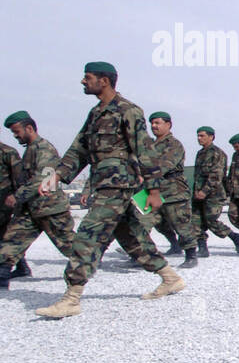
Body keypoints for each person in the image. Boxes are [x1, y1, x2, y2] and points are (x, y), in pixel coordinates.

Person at [33, 63, 185, 318]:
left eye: (88, 77)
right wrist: (56, 176)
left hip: (119, 185)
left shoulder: (128, 110)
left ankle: (71, 298)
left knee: (87, 235)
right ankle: (170, 277)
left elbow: (144, 151)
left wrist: (154, 191)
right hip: (104, 183)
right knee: (131, 235)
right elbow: (78, 149)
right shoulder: (95, 114)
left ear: (104, 81)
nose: (83, 81)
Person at [0, 111, 78, 287]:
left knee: (70, 246)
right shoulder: (30, 150)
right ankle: (2, 277)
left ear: (29, 128)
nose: (15, 136)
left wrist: (17, 196)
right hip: (30, 209)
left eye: (16, 131)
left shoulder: (44, 149)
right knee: (11, 241)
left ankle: (85, 269)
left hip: (50, 209)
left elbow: (41, 180)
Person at [147, 111, 200, 269]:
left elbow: (164, 165)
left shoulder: (174, 144)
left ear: (168, 125)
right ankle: (141, 255)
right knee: (138, 220)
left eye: (157, 123)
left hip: (173, 189)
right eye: (152, 123)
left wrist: (144, 173)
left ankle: (191, 255)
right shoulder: (150, 145)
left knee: (181, 223)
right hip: (151, 188)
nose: (153, 126)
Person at [191, 126, 239, 256]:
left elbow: (216, 176)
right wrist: (197, 192)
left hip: (213, 194)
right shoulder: (200, 153)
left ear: (211, 137)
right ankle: (202, 248)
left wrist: (204, 191)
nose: (199, 138)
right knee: (196, 221)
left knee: (211, 220)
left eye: (202, 136)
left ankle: (235, 236)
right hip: (198, 194)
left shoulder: (218, 153)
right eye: (198, 136)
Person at [0, 132, 30, 281]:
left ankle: (17, 267)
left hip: (5, 202)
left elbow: (20, 178)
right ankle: (21, 266)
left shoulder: (8, 152)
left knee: (7, 235)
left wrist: (17, 197)